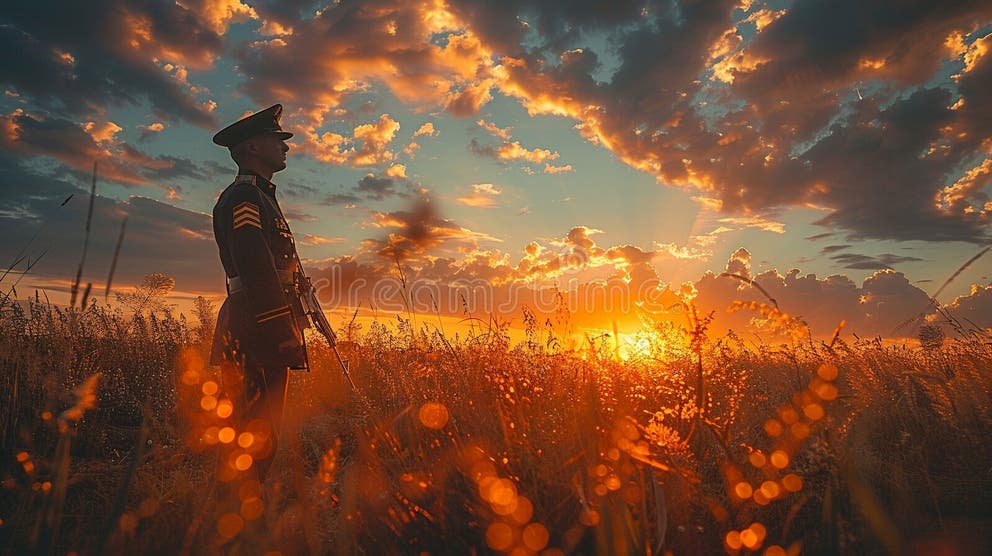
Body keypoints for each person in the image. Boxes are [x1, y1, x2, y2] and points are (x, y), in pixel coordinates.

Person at [209, 104, 310, 482]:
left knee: (261, 436)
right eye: (276, 140)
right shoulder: (245, 198)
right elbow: (255, 267)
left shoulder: (263, 197)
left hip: (261, 327)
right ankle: (235, 519)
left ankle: (243, 516)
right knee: (251, 437)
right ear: (252, 147)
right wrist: (281, 331)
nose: (285, 147)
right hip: (255, 328)